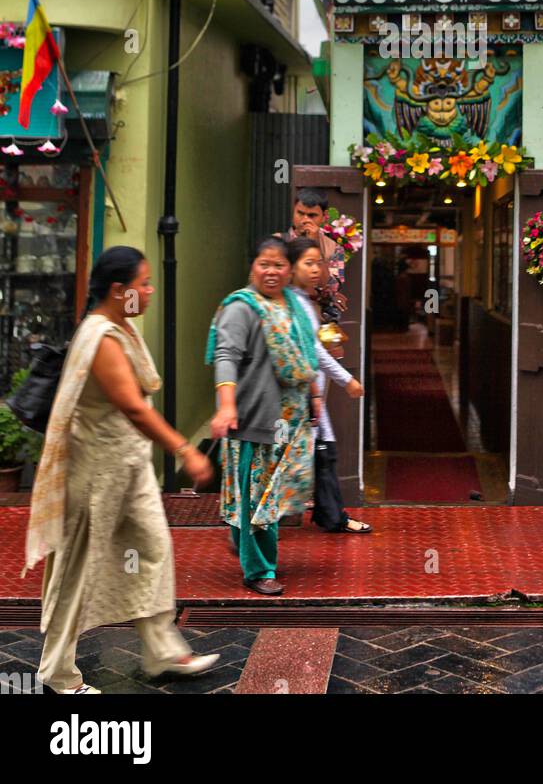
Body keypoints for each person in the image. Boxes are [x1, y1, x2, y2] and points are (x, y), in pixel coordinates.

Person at [26, 247, 218, 695]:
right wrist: (185, 449)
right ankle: (57, 673)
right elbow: (132, 406)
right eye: (143, 284)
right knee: (78, 571)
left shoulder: (119, 328)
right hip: (95, 476)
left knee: (152, 547)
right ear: (119, 290)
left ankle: (162, 652)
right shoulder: (102, 337)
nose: (149, 292)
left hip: (128, 469)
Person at [209, 237, 319, 595]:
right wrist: (227, 405)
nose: (271, 272)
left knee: (262, 496)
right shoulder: (242, 307)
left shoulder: (292, 305)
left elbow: (305, 360)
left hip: (288, 419)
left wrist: (314, 397)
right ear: (252, 266)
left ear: (289, 270)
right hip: (254, 416)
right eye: (263, 264)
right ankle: (259, 571)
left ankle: (243, 543)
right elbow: (226, 355)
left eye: (279, 265)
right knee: (260, 499)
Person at [284, 236, 371, 535]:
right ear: (291, 268)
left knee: (324, 450)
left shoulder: (305, 300)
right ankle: (327, 515)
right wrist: (346, 379)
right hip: (304, 393)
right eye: (307, 263)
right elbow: (313, 351)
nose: (315, 269)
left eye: (318, 263)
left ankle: (328, 513)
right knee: (320, 450)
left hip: (312, 392)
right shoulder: (294, 302)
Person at [288, 187, 348, 318]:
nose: (305, 220)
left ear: (324, 217)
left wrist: (315, 246)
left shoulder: (335, 249)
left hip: (317, 318)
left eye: (312, 215)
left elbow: (333, 289)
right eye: (300, 213)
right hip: (284, 315)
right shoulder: (279, 242)